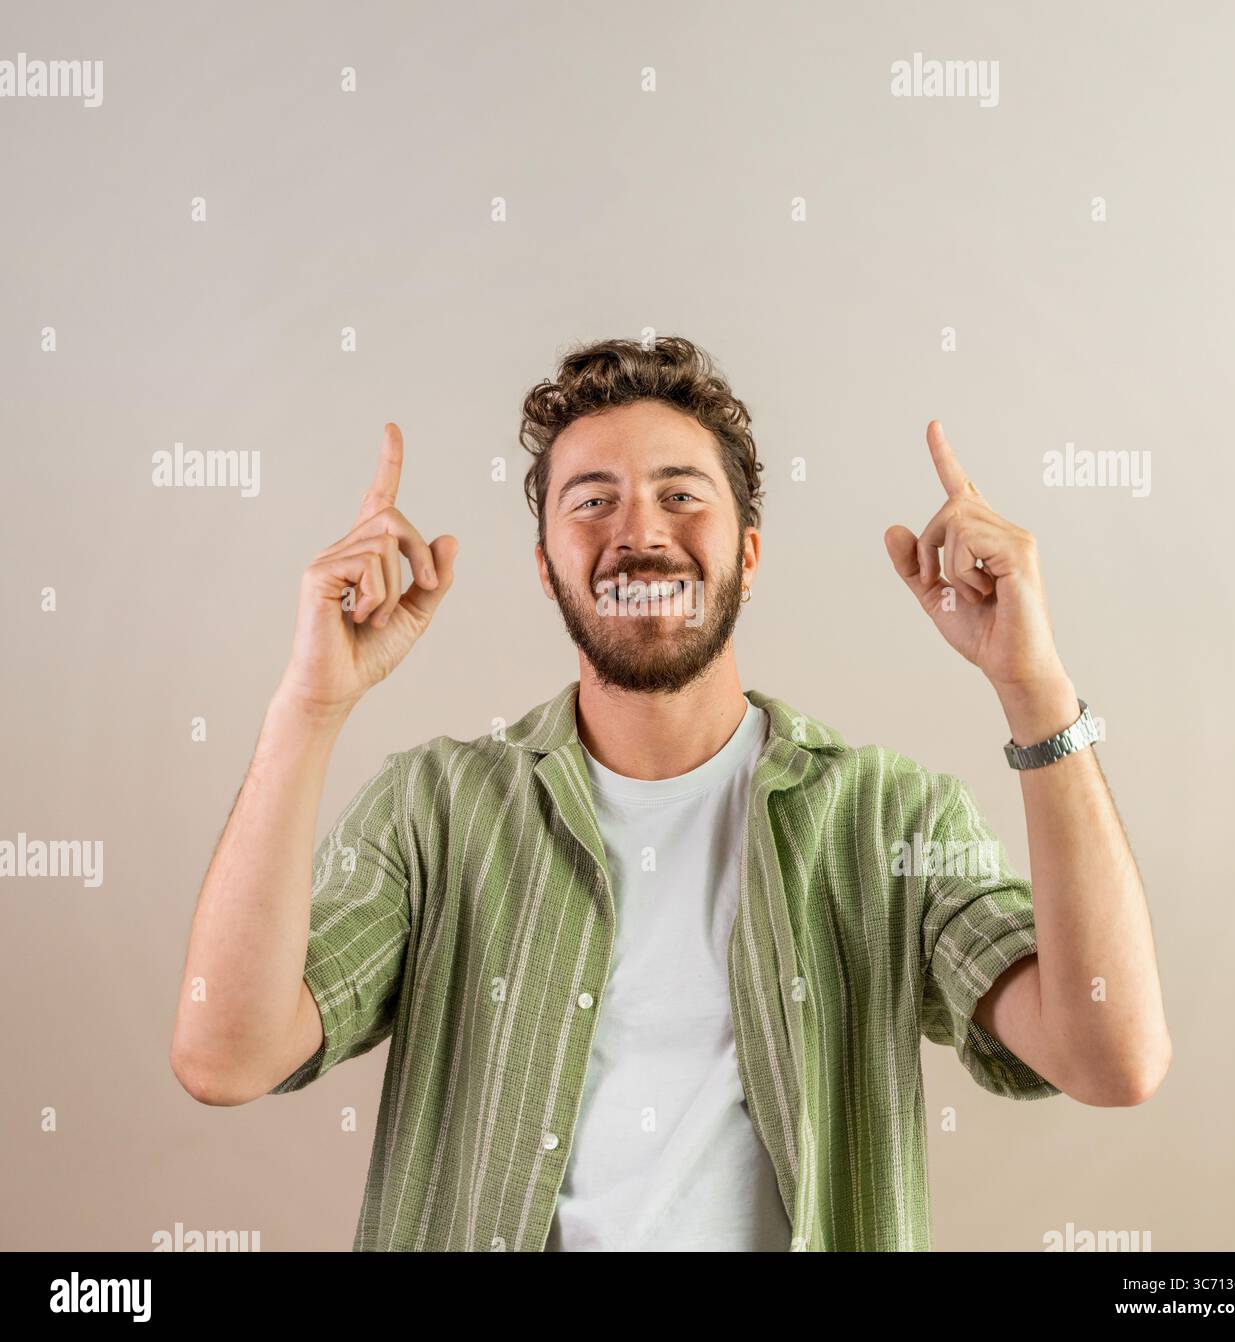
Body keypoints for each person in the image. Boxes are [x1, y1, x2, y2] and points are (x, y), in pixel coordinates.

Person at [169, 335, 1172, 1252]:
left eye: (682, 495)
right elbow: (225, 1056)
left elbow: (1112, 1057)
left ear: (747, 552)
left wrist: (1032, 689)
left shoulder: (887, 822)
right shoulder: (436, 809)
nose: (638, 533)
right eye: (592, 500)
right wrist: (308, 706)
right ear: (545, 565)